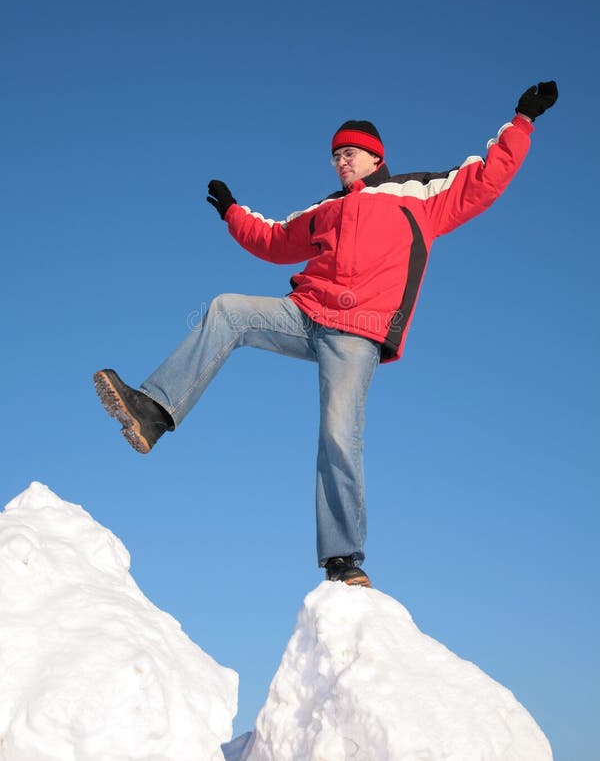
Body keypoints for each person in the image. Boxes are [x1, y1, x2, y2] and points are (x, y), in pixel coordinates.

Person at [94, 81, 558, 588]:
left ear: (375, 156)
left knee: (339, 432)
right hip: (304, 314)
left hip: (357, 333)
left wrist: (522, 120)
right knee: (228, 309)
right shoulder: (325, 209)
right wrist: (232, 212)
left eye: (350, 153)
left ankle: (343, 559)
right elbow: (273, 238)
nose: (341, 162)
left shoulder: (418, 195)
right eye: (335, 155)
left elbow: (485, 179)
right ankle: (153, 411)